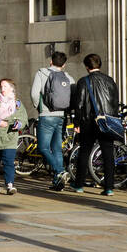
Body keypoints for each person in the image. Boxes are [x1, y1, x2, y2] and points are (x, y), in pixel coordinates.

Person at [68, 53, 121, 195]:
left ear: (86, 66)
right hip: (107, 122)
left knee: (84, 152)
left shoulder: (83, 81)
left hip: (88, 122)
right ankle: (109, 187)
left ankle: (79, 185)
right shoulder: (110, 80)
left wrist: (76, 123)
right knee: (108, 154)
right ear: (99, 65)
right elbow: (115, 102)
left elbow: (79, 104)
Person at [30, 51, 75, 190]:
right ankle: (58, 183)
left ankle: (60, 171)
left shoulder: (41, 73)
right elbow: (73, 96)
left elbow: (34, 94)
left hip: (47, 115)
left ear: (51, 61)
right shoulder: (68, 78)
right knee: (57, 149)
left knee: (43, 147)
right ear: (64, 64)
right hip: (62, 116)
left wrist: (39, 107)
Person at [0, 79, 28, 195]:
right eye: (1, 86)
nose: (2, 89)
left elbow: (24, 119)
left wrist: (19, 124)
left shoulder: (18, 104)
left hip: (9, 136)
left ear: (11, 88)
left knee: (9, 161)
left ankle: (10, 185)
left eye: (5, 86)